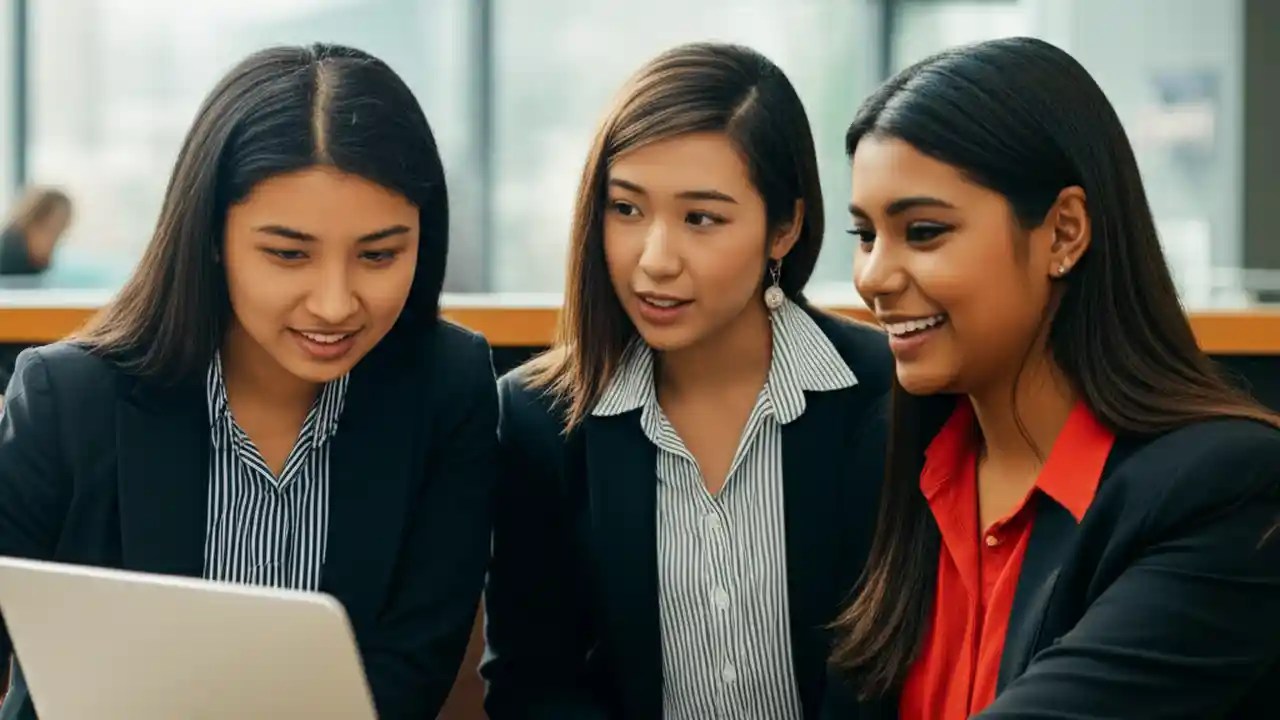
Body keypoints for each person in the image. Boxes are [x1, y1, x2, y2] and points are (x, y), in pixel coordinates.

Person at [0, 43, 497, 720]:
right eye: (288, 254)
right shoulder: (68, 400)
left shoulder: (449, 389)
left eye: (379, 254)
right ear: (210, 234)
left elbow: (412, 669)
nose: (333, 303)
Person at [823, 37, 1280, 719]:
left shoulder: (1228, 491)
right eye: (865, 235)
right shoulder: (893, 467)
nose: (873, 277)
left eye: (922, 231)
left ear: (1063, 232)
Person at [482, 42, 892, 720]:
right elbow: (531, 684)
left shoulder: (883, 396)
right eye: (627, 209)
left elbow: (894, 672)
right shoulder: (537, 418)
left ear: (784, 227)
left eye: (701, 218)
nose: (655, 260)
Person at [0, 187, 71, 277]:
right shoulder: (8, 259)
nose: (54, 241)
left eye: (59, 232)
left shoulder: (33, 264)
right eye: (51, 229)